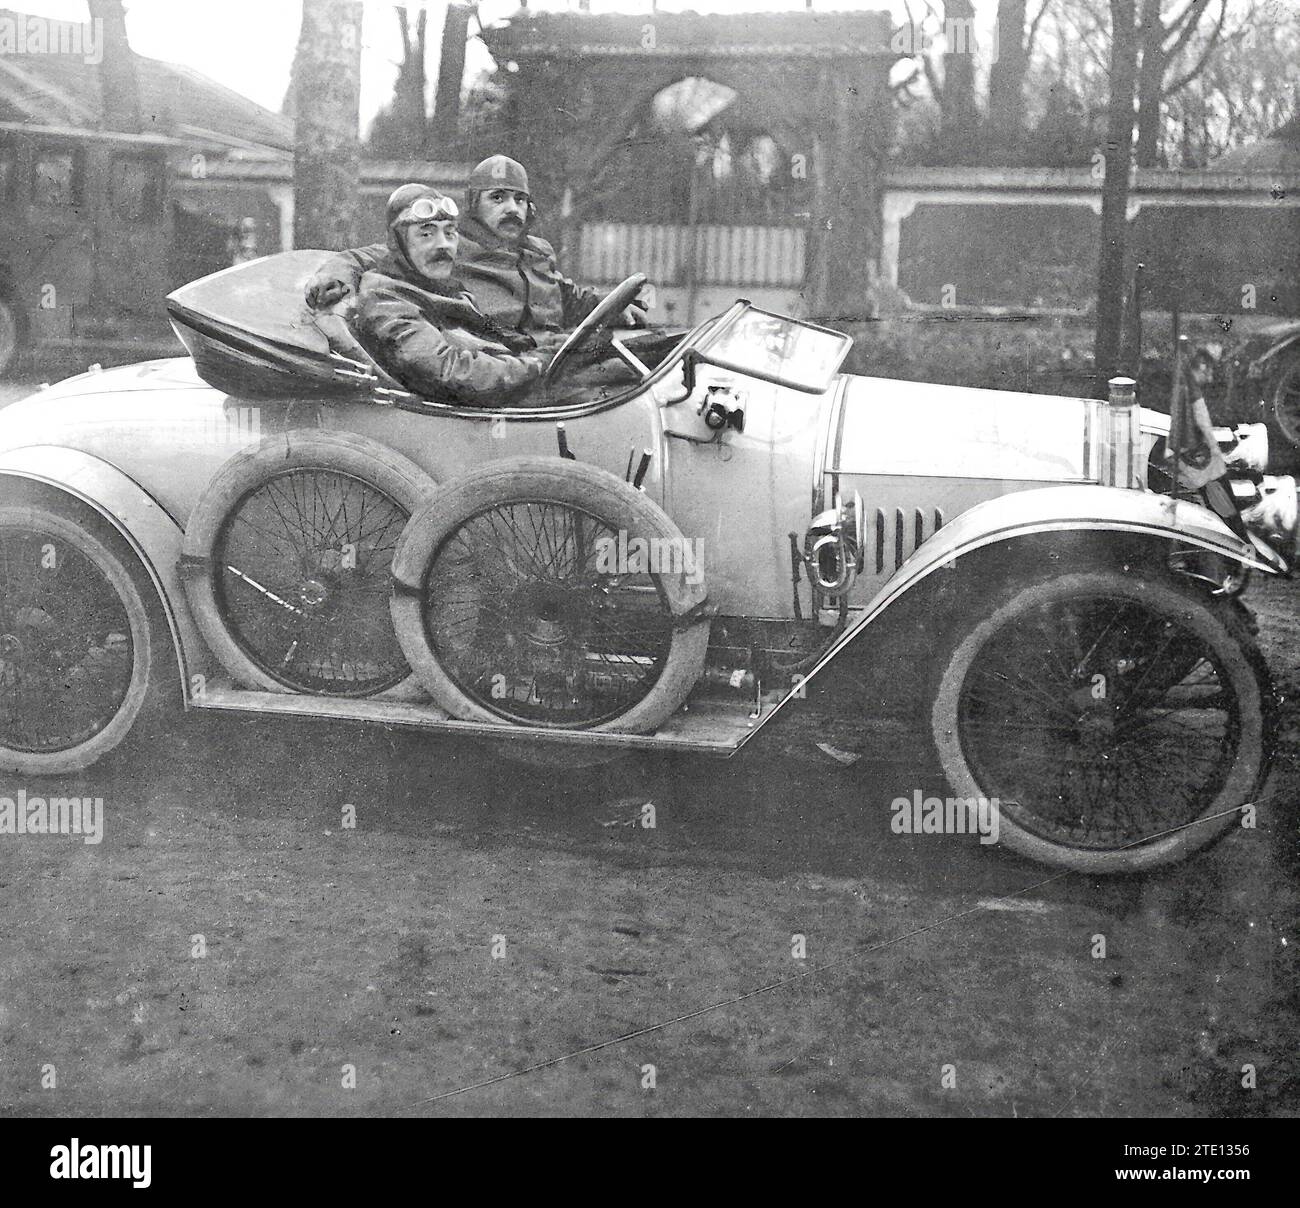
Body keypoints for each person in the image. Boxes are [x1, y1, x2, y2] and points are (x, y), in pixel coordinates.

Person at [306, 155, 642, 335]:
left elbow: (567, 297)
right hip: (502, 363)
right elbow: (369, 256)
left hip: (558, 353)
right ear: (474, 205)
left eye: (519, 199)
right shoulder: (451, 246)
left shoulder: (538, 251)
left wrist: (612, 306)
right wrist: (337, 276)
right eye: (497, 198)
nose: (512, 208)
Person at [348, 183, 551, 405]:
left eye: (449, 232)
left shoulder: (446, 290)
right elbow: (449, 370)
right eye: (426, 234)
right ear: (399, 243)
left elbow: (494, 335)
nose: (443, 245)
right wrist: (533, 366)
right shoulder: (384, 299)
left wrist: (544, 348)